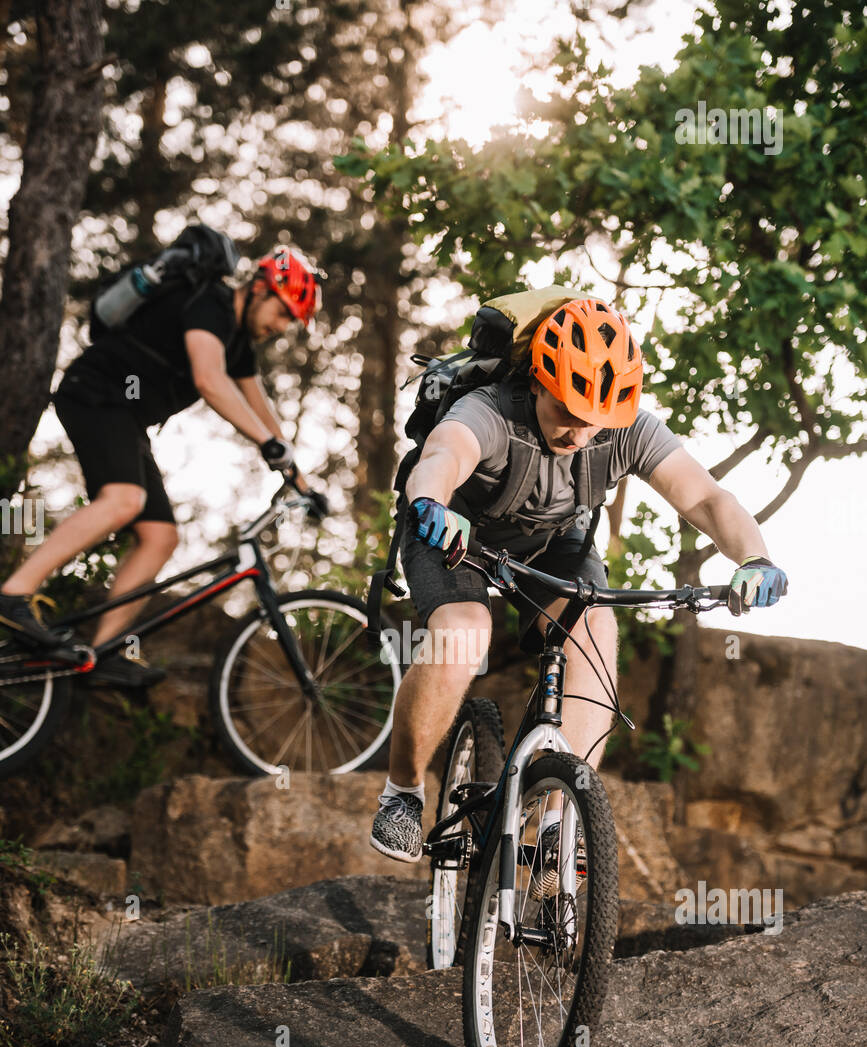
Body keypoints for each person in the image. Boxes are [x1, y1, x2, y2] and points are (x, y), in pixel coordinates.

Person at [370, 295, 787, 863]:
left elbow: (708, 498)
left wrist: (754, 557)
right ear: (539, 382)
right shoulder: (490, 413)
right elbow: (442, 455)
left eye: (598, 420)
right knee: (465, 632)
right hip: (451, 526)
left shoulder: (625, 429)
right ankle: (403, 791)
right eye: (568, 411)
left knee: (594, 631)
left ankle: (554, 832)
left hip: (555, 540)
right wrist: (431, 503)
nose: (581, 432)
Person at [0, 245, 328, 686]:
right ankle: (14, 595)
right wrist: (268, 444)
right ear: (258, 288)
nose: (283, 326)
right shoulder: (210, 303)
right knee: (124, 500)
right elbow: (209, 380)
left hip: (127, 418)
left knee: (160, 536)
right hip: (95, 393)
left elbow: (261, 408)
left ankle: (103, 653)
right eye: (284, 312)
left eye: (292, 321)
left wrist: (300, 479)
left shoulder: (239, 344)